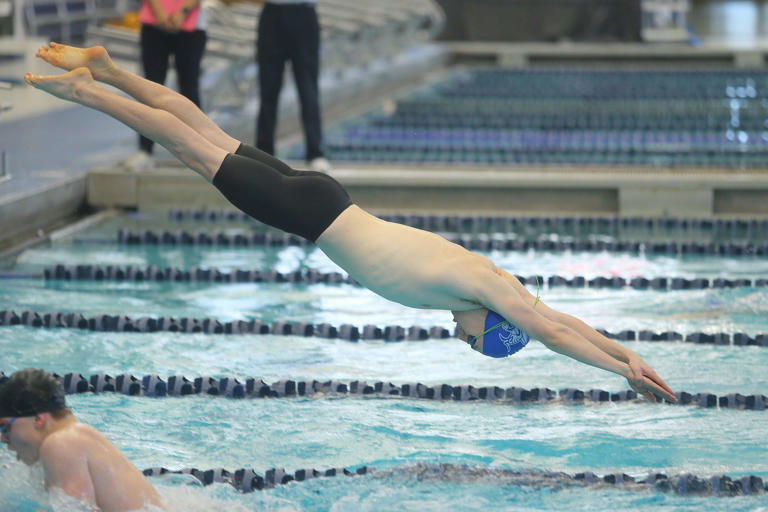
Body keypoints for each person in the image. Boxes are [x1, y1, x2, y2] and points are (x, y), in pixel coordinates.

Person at [25, 43, 677, 404]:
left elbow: (560, 321)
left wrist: (626, 355)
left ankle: (110, 68)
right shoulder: (492, 295)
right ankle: (89, 88)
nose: (462, 338)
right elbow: (554, 332)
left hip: (328, 199)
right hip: (312, 215)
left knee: (204, 132)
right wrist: (615, 370)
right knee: (193, 148)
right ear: (497, 326)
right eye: (476, 342)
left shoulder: (494, 284)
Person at [0, 368, 165, 511]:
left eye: (5, 426)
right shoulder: (73, 437)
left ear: (38, 419)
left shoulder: (60, 444)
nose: (3, 438)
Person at [252, 0, 330, 173]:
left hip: (303, 15)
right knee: (268, 91)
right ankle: (264, 152)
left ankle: (315, 152)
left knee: (308, 89)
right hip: (272, 15)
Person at [130, 0, 207, 169]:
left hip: (192, 26)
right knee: (149, 89)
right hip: (154, 23)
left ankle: (199, 150)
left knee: (189, 88)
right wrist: (159, 11)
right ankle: (145, 150)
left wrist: (182, 11)